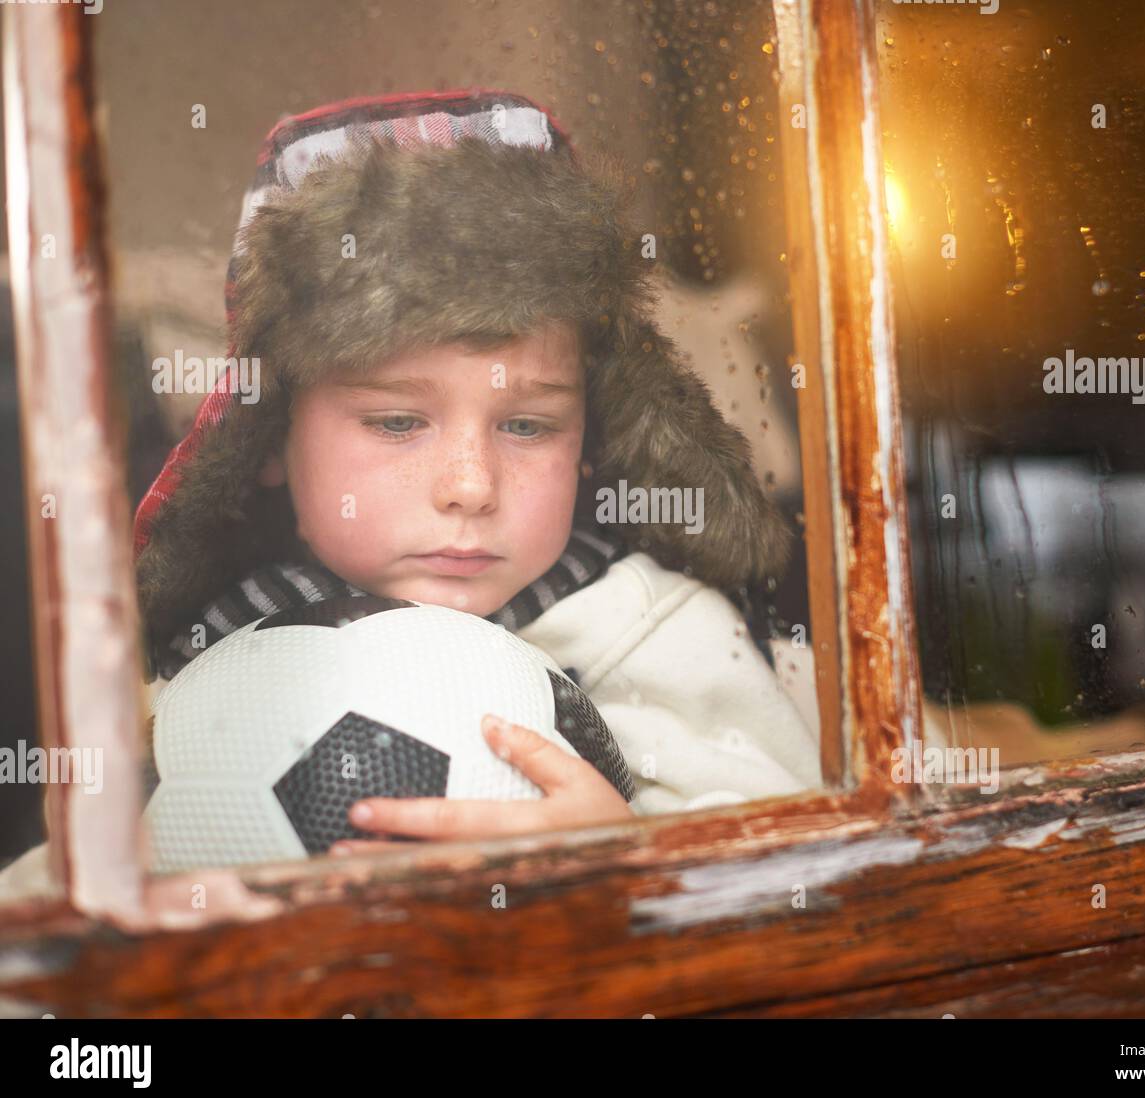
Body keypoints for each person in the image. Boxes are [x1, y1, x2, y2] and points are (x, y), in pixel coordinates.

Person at [3, 89, 820, 891]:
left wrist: (629, 867)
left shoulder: (658, 632)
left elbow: (804, 877)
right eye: (396, 423)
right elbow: (57, 903)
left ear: (592, 443)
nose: (471, 486)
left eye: (528, 427)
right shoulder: (208, 648)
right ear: (270, 439)